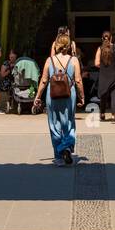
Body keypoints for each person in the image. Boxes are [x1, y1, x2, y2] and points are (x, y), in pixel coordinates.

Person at [34, 32, 84, 164]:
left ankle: (59, 155)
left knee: (54, 123)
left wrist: (38, 96)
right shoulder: (74, 60)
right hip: (69, 93)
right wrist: (82, 96)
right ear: (69, 46)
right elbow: (78, 80)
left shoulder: (49, 60)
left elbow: (44, 80)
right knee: (69, 122)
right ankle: (66, 146)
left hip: (52, 94)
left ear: (56, 45)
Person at [93, 30, 115, 122]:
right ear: (111, 38)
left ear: (102, 38)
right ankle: (114, 116)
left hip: (103, 75)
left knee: (103, 95)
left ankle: (102, 113)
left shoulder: (100, 48)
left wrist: (103, 66)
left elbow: (96, 63)